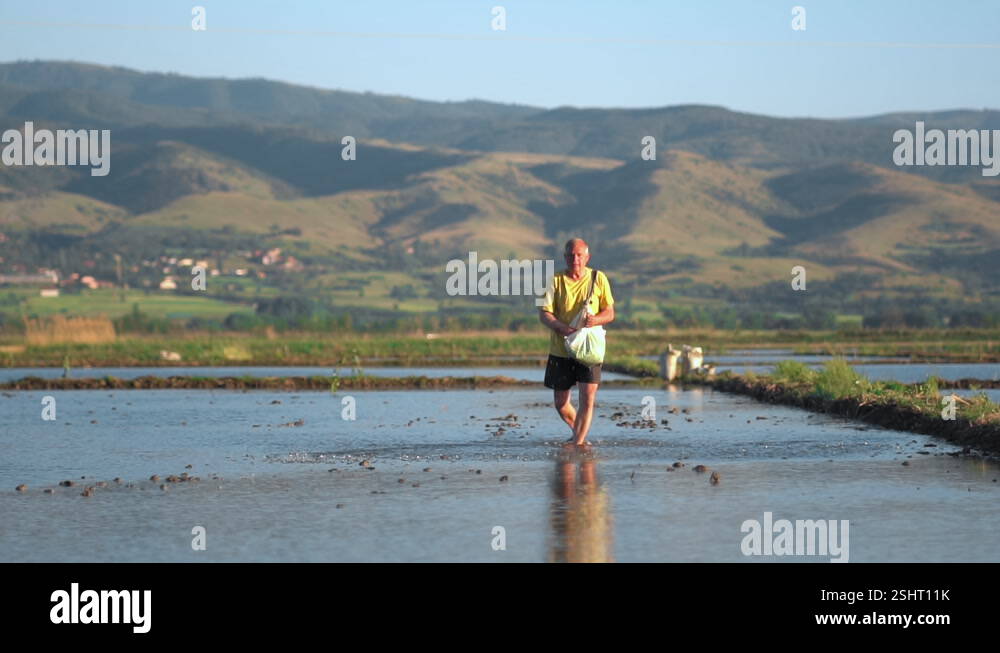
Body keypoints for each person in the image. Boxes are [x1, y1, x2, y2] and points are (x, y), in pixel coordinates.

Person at [539, 238, 615, 446]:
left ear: (587, 257)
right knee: (561, 403)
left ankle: (578, 444)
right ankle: (578, 433)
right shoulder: (552, 280)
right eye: (571, 255)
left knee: (587, 398)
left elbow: (609, 312)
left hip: (589, 349)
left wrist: (595, 320)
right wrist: (562, 328)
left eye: (579, 255)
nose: (575, 259)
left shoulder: (599, 278)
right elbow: (544, 313)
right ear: (565, 257)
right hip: (561, 349)